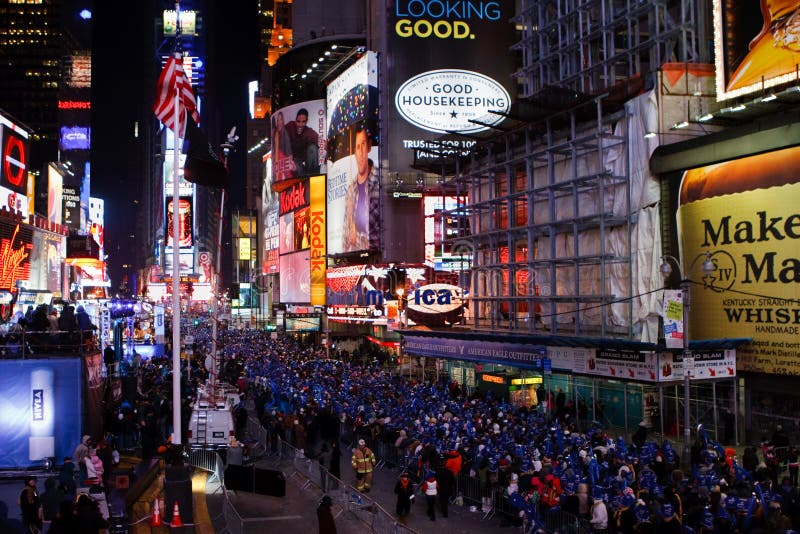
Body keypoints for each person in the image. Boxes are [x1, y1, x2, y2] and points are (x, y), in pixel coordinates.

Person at [343, 124, 377, 252]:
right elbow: (345, 236)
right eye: (357, 147)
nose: (361, 151)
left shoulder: (380, 181)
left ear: (369, 146)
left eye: (363, 145)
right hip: (354, 254)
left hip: (376, 253)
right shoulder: (351, 190)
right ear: (354, 152)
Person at [286, 107, 320, 175]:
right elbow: (280, 134)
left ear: (306, 121)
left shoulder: (309, 132)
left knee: (313, 148)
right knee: (294, 166)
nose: (300, 125)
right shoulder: (290, 126)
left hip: (305, 159)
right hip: (293, 159)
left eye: (303, 122)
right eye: (298, 121)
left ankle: (312, 175)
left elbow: (319, 140)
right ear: (295, 120)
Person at [272, 111, 296, 181]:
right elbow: (274, 148)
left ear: (283, 120)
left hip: (284, 157)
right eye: (278, 120)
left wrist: (290, 157)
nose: (279, 122)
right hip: (277, 159)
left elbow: (287, 145)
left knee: (287, 175)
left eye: (281, 119)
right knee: (280, 175)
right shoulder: (276, 133)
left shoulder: (284, 131)